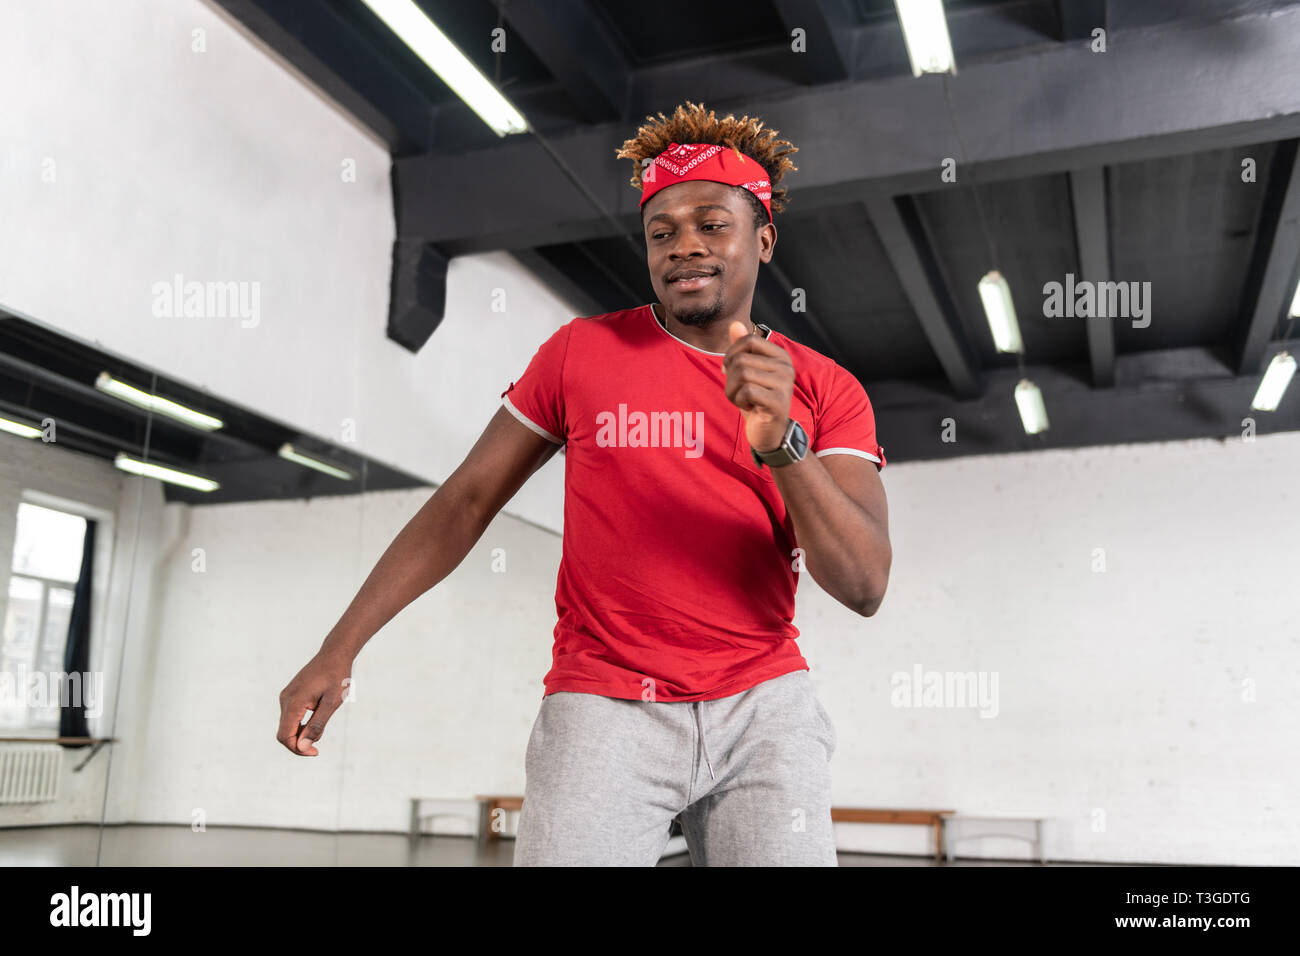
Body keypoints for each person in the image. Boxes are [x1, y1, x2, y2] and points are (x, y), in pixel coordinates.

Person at [277, 101, 891, 866]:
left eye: (711, 223)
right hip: (605, 704)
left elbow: (864, 583)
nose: (683, 246)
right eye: (661, 231)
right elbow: (465, 501)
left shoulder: (827, 388)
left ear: (763, 237)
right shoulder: (580, 354)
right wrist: (340, 648)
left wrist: (784, 447)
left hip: (763, 709)